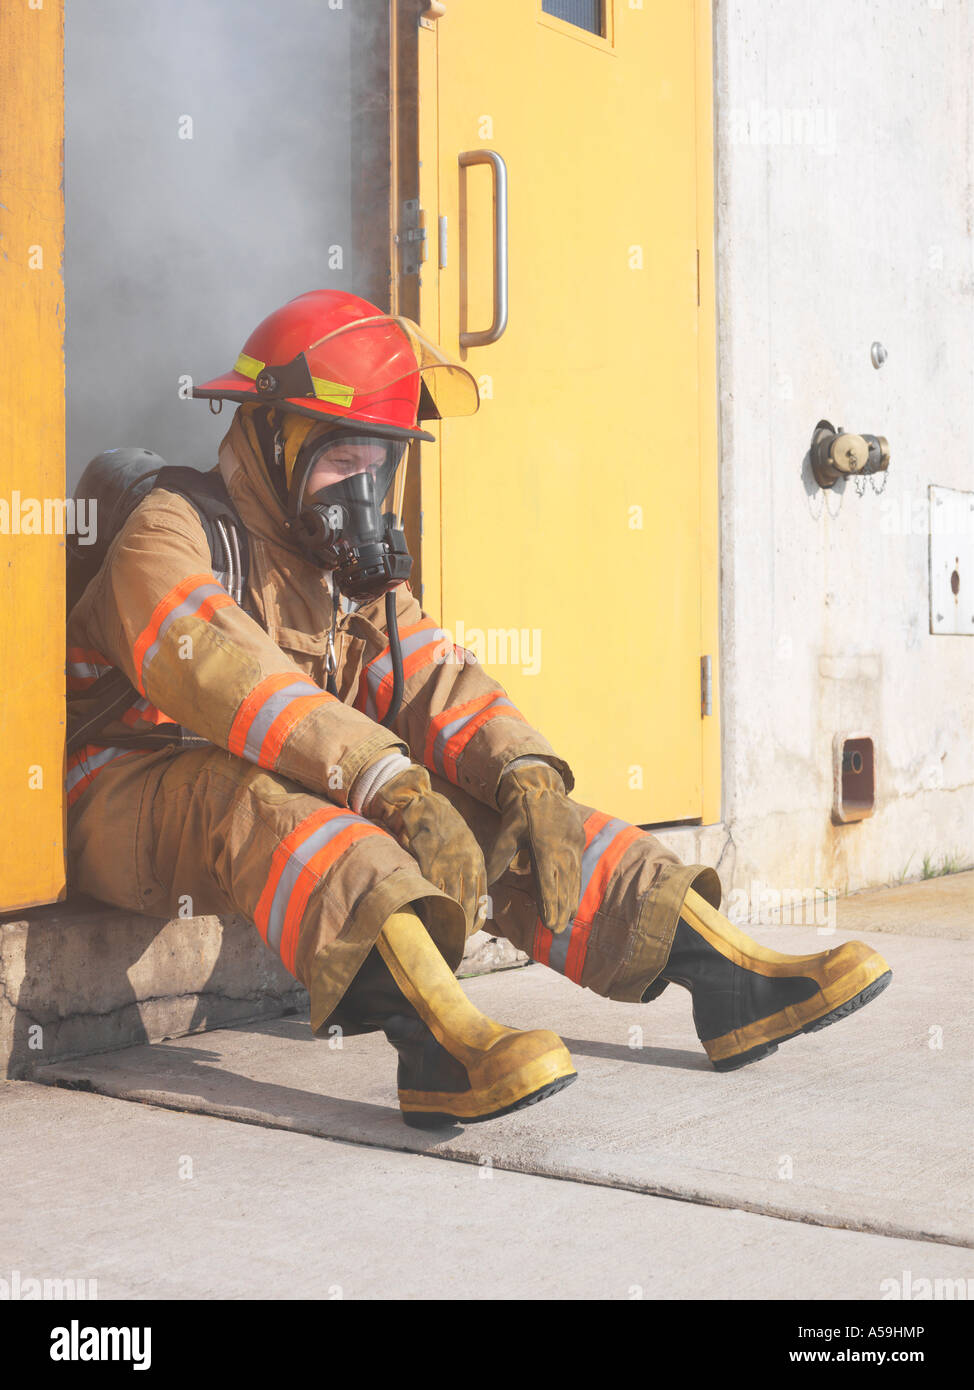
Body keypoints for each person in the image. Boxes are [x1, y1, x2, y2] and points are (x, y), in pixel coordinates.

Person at [65, 290, 892, 1127]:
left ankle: (727, 976)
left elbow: (434, 678)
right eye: (342, 455)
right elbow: (234, 679)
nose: (366, 486)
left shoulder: (344, 577)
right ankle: (440, 1048)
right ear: (275, 439)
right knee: (263, 798)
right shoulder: (167, 533)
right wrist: (385, 779)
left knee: (498, 808)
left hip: (266, 781)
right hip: (125, 793)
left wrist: (525, 771)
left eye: (380, 461)